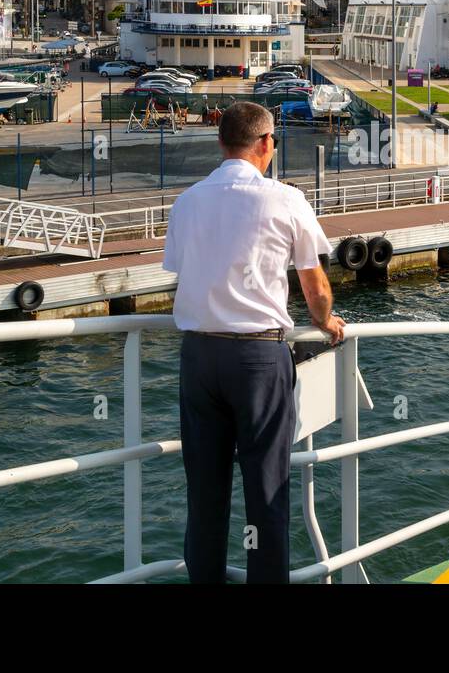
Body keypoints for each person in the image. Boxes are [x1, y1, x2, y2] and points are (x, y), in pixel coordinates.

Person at [163, 101, 346, 583]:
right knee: (266, 491)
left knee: (205, 492)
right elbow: (314, 286)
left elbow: (184, 275)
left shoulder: (188, 201)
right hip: (259, 358)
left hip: (199, 356)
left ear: (221, 143)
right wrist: (326, 321)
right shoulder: (285, 199)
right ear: (266, 143)